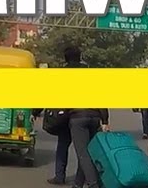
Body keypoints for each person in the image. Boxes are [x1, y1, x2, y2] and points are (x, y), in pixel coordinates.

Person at [47, 45, 110, 188]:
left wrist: (35, 112)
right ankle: (77, 183)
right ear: (80, 57)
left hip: (75, 117)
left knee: (81, 153)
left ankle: (92, 184)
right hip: (94, 117)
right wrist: (105, 120)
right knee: (88, 151)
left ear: (65, 58)